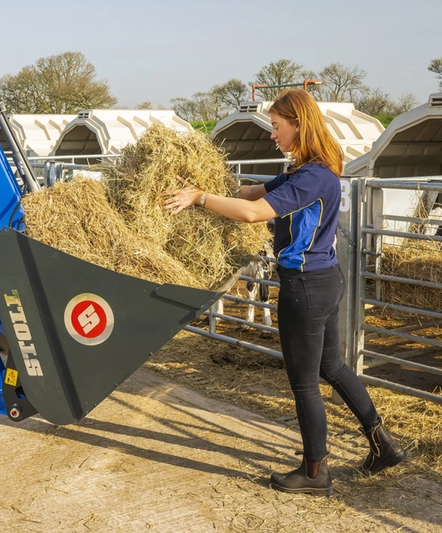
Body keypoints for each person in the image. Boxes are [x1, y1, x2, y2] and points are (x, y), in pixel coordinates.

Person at [162, 88, 405, 496]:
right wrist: (205, 186)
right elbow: (253, 194)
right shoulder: (311, 169)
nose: (273, 135)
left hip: (305, 286)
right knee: (333, 368)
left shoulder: (312, 176)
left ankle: (314, 473)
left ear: (298, 124)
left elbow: (255, 213)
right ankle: (385, 446)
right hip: (325, 278)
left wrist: (200, 199)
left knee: (305, 383)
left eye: (277, 127)